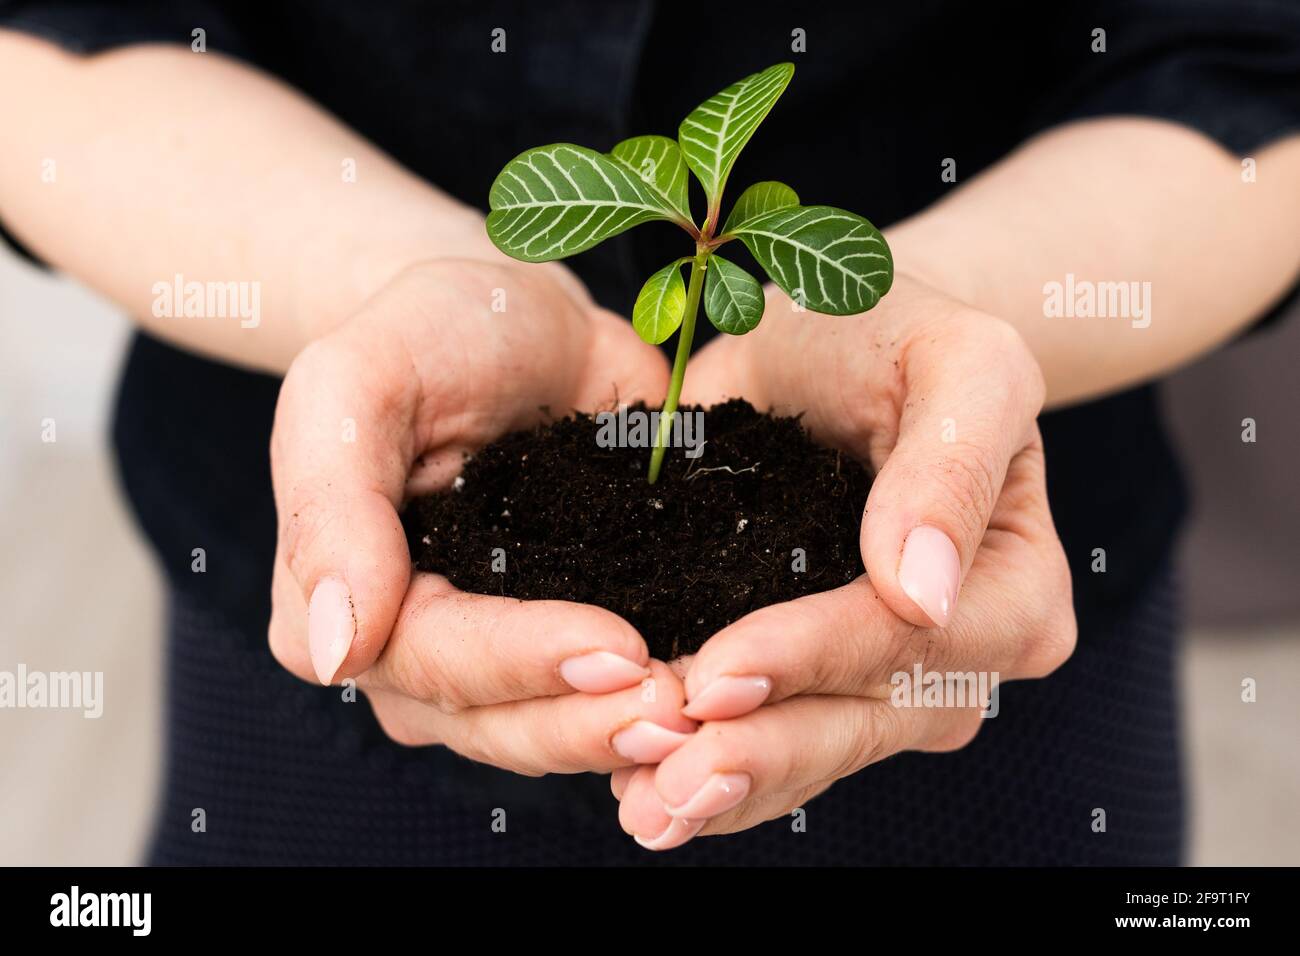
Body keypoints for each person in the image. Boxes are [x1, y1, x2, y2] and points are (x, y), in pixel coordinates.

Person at [1, 1, 1296, 864]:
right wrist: (401, 289)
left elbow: (1248, 62)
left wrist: (941, 331)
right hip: (310, 640)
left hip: (979, 664)